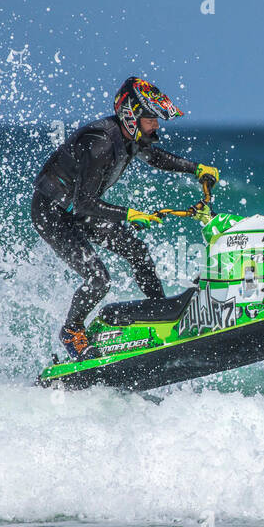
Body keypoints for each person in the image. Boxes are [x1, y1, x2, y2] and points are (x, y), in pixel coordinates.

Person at [32, 77, 219, 359]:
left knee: (138, 253)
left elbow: (154, 158)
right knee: (98, 280)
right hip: (52, 213)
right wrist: (129, 214)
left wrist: (196, 168)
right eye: (151, 118)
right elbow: (84, 203)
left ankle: (160, 314)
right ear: (131, 115)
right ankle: (71, 331)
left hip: (78, 209)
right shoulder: (100, 142)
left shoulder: (131, 137)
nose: (156, 125)